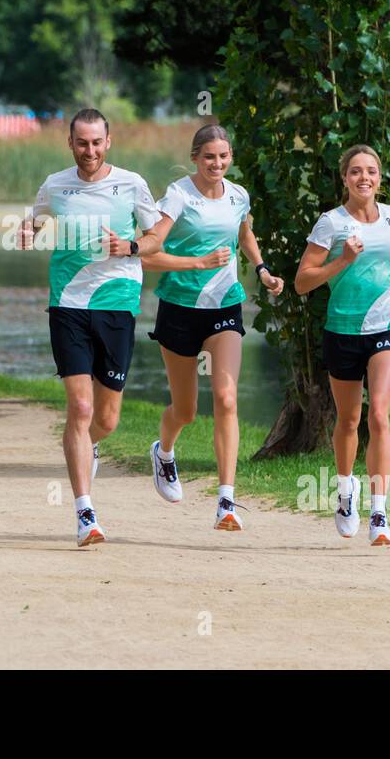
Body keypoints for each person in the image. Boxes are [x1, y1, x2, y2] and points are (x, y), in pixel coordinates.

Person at [20, 108, 169, 546]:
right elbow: (38, 217)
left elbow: (158, 234)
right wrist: (29, 231)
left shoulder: (132, 183)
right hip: (67, 305)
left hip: (117, 305)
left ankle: (89, 447)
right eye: (82, 143)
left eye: (97, 143)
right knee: (81, 410)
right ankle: (85, 512)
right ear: (70, 143)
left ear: (109, 142)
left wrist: (132, 246)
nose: (89, 151)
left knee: (105, 417)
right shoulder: (55, 184)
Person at [141, 123, 283, 531]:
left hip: (225, 304)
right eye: (208, 157)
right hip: (179, 306)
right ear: (195, 158)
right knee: (185, 410)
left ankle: (226, 501)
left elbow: (244, 233)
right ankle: (164, 451)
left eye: (223, 157)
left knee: (226, 397)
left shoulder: (239, 195)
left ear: (230, 158)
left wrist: (262, 269)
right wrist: (150, 252)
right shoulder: (178, 195)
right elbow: (156, 244)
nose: (216, 164)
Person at [294, 144, 390, 546]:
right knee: (348, 420)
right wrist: (342, 260)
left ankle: (380, 515)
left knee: (379, 415)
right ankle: (347, 490)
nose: (364, 178)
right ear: (344, 178)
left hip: (389, 320)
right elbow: (302, 282)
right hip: (344, 329)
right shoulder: (331, 224)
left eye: (372, 171)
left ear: (380, 178)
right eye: (356, 172)